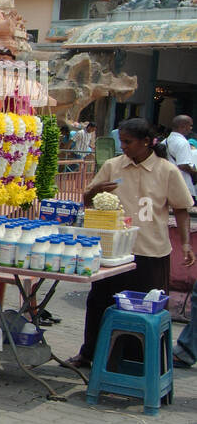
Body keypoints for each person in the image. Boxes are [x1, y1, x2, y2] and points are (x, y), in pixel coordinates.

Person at [68, 118, 195, 368]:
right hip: (113, 252)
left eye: (128, 142)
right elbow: (87, 198)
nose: (122, 146)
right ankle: (89, 354)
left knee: (143, 310)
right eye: (122, 141)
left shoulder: (167, 170)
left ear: (146, 142)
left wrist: (186, 244)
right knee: (99, 303)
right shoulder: (113, 166)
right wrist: (94, 192)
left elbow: (181, 208)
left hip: (150, 252)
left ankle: (135, 361)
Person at [163, 114, 196, 201]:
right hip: (182, 184)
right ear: (183, 126)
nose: (191, 128)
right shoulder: (182, 142)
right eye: (190, 125)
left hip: (167, 183)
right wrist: (195, 172)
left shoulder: (165, 141)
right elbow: (183, 165)